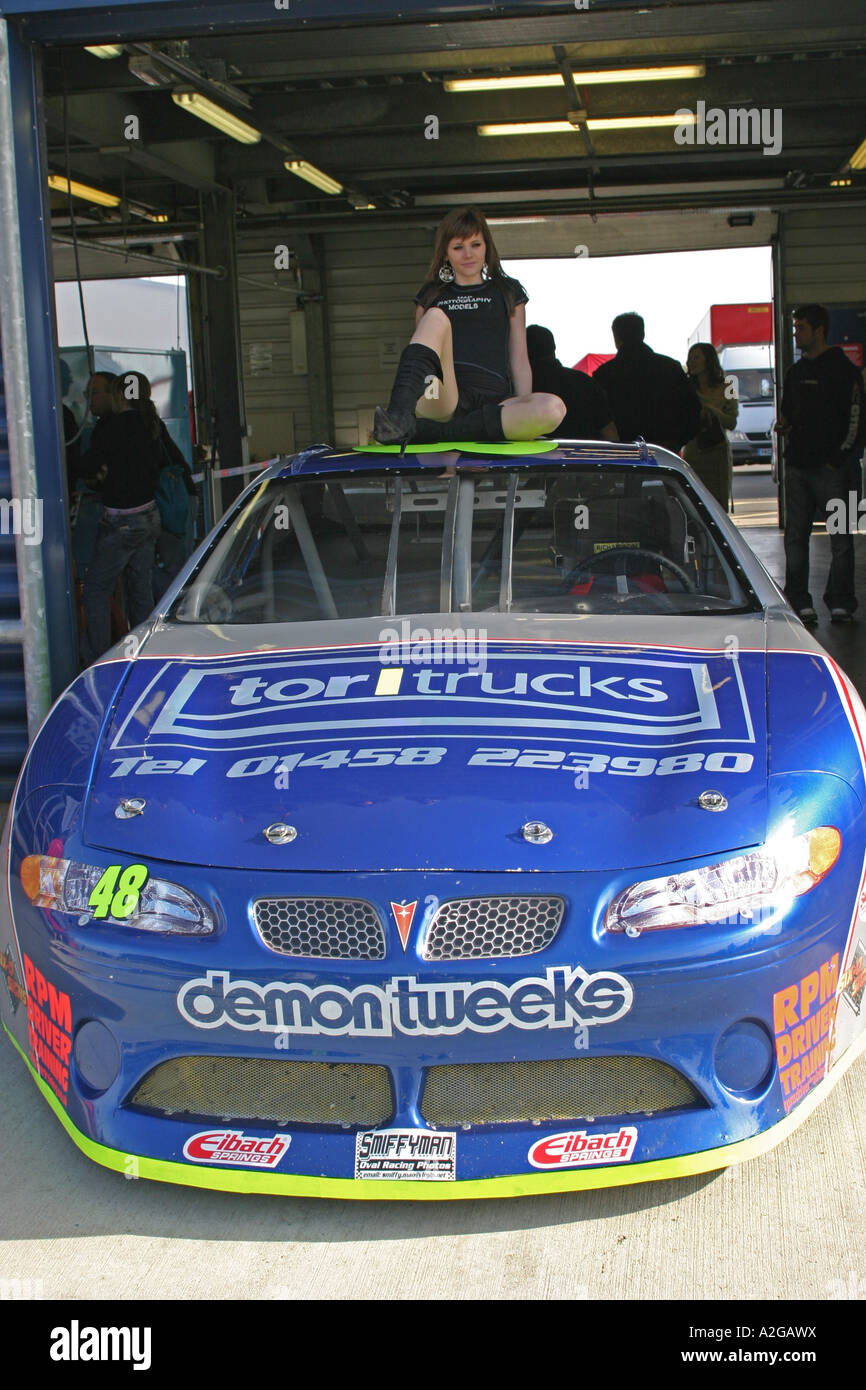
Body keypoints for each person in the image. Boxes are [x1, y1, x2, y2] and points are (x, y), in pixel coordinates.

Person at [373, 206, 565, 445]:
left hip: (493, 403)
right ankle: (399, 417)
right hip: (443, 397)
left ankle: (435, 433)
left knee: (553, 408)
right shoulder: (431, 296)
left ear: (487, 247)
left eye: (475, 244)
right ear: (445, 253)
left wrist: (522, 406)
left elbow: (520, 360)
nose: (468, 255)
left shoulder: (507, 292)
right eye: (458, 247)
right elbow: (422, 359)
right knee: (434, 316)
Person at [777, 303, 866, 624]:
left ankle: (841, 601)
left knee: (841, 537)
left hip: (834, 469)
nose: (796, 333)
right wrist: (784, 424)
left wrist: (839, 458)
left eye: (801, 328)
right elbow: (787, 412)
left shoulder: (844, 370)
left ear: (818, 330)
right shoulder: (795, 373)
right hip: (798, 466)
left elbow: (856, 419)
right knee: (796, 536)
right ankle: (799, 600)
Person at [81, 371, 162, 661]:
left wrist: (102, 476)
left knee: (95, 590)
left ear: (118, 396)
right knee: (140, 589)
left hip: (121, 521)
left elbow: (89, 468)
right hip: (149, 514)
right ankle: (147, 654)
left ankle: (100, 660)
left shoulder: (108, 428)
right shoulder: (150, 424)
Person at [593, 312, 701, 452]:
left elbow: (598, 418)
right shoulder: (671, 368)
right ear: (642, 334)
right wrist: (677, 442)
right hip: (665, 450)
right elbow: (693, 410)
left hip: (622, 452)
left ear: (616, 337)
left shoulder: (604, 374)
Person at [526, 325, 618, 441]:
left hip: (535, 457)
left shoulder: (520, 389)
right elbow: (609, 431)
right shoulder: (586, 382)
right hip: (584, 456)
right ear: (554, 348)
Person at [682, 342, 738, 509]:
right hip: (693, 452)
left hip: (717, 454)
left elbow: (732, 422)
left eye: (696, 357)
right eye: (690, 358)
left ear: (709, 360)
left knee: (718, 505)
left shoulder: (728, 386)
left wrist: (713, 412)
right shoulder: (686, 389)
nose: (691, 361)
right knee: (694, 505)